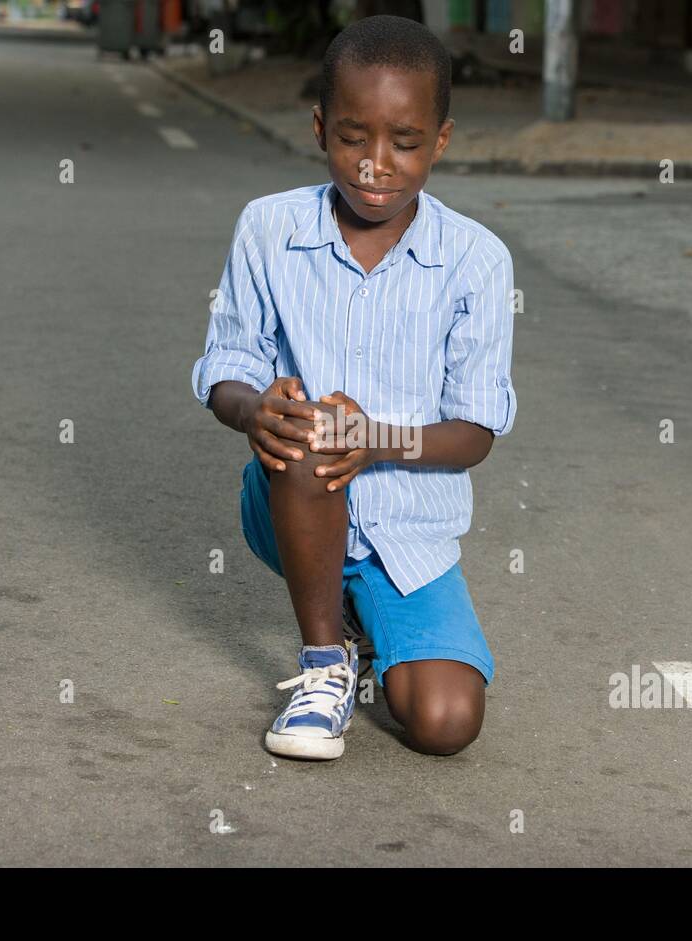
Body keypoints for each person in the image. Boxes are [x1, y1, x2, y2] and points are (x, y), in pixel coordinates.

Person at [190, 15, 516, 761]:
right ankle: (324, 665)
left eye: (404, 142)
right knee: (317, 426)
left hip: (409, 535)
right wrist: (255, 409)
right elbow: (224, 366)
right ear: (318, 128)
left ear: (440, 140)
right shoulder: (269, 228)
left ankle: (366, 611)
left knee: (444, 722)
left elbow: (476, 432)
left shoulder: (476, 260)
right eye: (351, 137)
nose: (376, 164)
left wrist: (379, 441)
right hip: (293, 499)